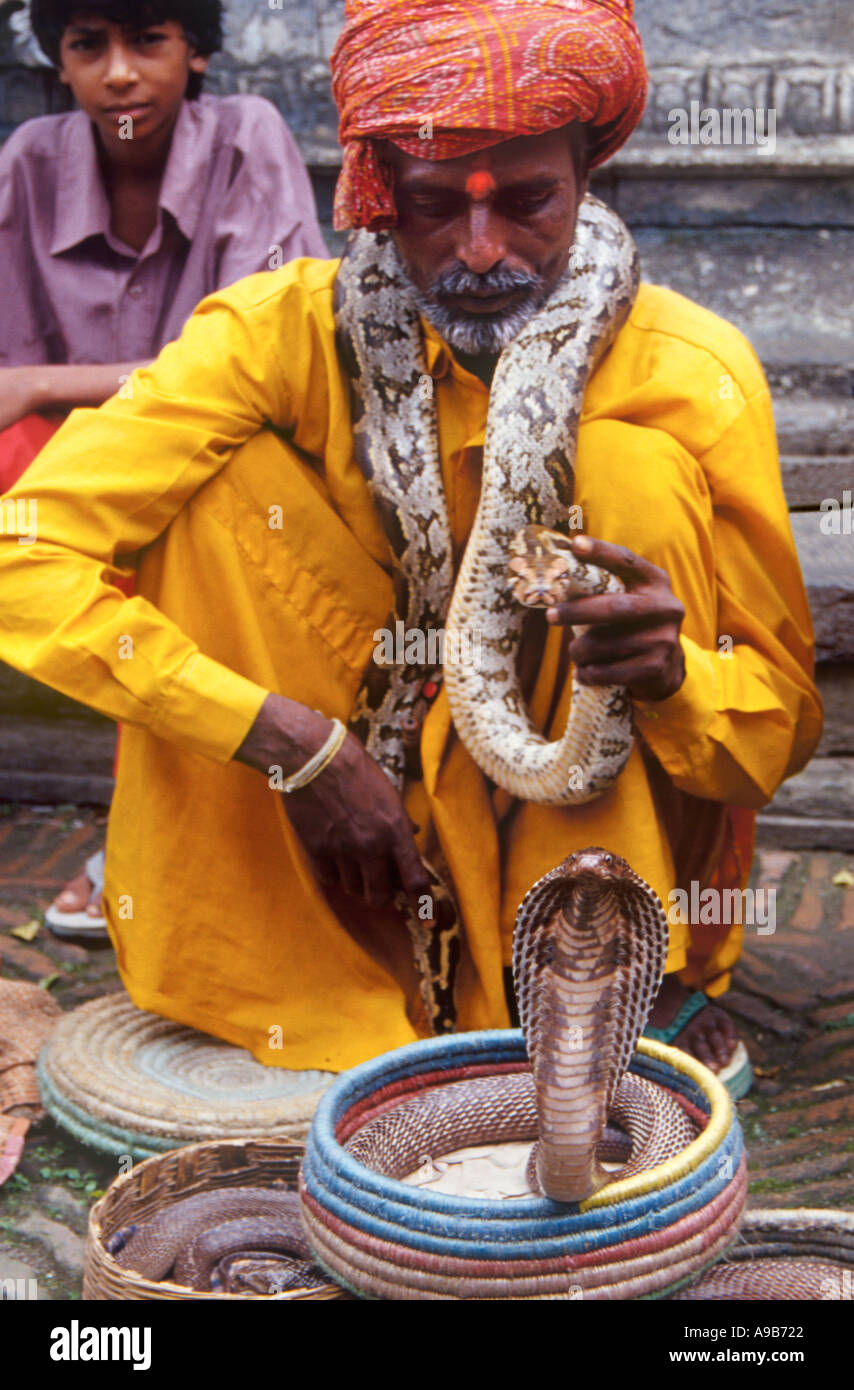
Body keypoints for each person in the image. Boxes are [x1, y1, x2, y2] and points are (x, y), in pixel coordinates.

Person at [0, 0, 821, 1082]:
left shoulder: (688, 370)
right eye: (434, 207)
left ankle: (622, 967)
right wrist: (282, 738)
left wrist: (674, 675)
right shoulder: (278, 332)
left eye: (529, 202)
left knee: (628, 472)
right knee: (211, 488)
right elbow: (24, 551)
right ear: (379, 196)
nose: (479, 251)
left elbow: (778, 731)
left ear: (586, 179)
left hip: (568, 797)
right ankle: (323, 973)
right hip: (359, 785)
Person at [0, 0, 328, 931]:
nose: (118, 75)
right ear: (58, 62)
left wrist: (43, 383)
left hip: (229, 451)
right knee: (35, 515)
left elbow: (261, 367)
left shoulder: (245, 139)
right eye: (86, 45)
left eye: (149, 41)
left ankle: (153, 834)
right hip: (83, 462)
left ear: (196, 52)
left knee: (194, 511)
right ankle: (164, 826)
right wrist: (35, 391)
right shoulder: (28, 161)